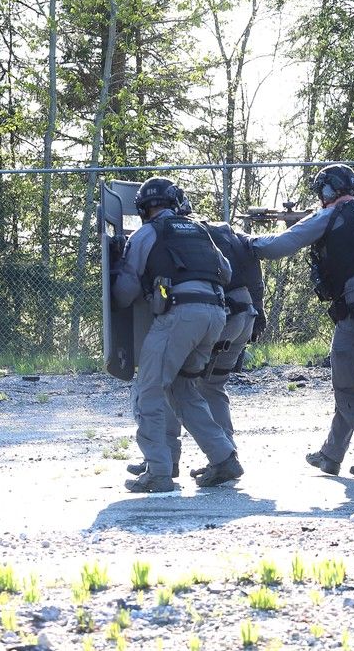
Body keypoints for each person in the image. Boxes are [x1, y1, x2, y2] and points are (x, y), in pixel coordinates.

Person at [250, 164, 354, 479]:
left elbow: (277, 246)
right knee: (352, 380)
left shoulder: (330, 216)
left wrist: (244, 243)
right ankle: (331, 454)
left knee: (349, 387)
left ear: (328, 192)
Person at [112, 176, 242, 493]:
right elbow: (225, 272)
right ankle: (224, 457)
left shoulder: (146, 234)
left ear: (144, 208)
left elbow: (126, 291)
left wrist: (114, 285)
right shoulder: (200, 231)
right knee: (183, 389)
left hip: (181, 316)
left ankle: (158, 472)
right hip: (215, 314)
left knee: (149, 391)